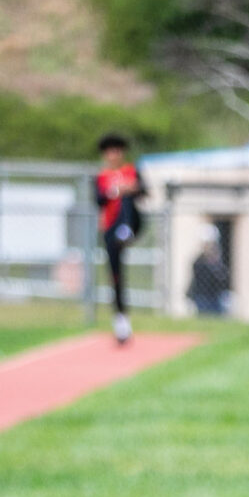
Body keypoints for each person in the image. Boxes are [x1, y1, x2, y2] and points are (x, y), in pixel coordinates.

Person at [95, 132, 147, 345]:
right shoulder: (101, 177)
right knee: (115, 275)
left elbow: (144, 191)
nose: (113, 154)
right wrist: (114, 190)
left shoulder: (131, 171)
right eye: (109, 151)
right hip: (110, 228)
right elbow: (98, 199)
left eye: (117, 150)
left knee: (126, 200)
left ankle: (126, 230)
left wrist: (126, 188)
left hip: (132, 222)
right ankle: (121, 321)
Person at [187, 226, 232, 315]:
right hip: (202, 297)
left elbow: (223, 278)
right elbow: (201, 277)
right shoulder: (199, 261)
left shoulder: (218, 261)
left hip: (215, 297)